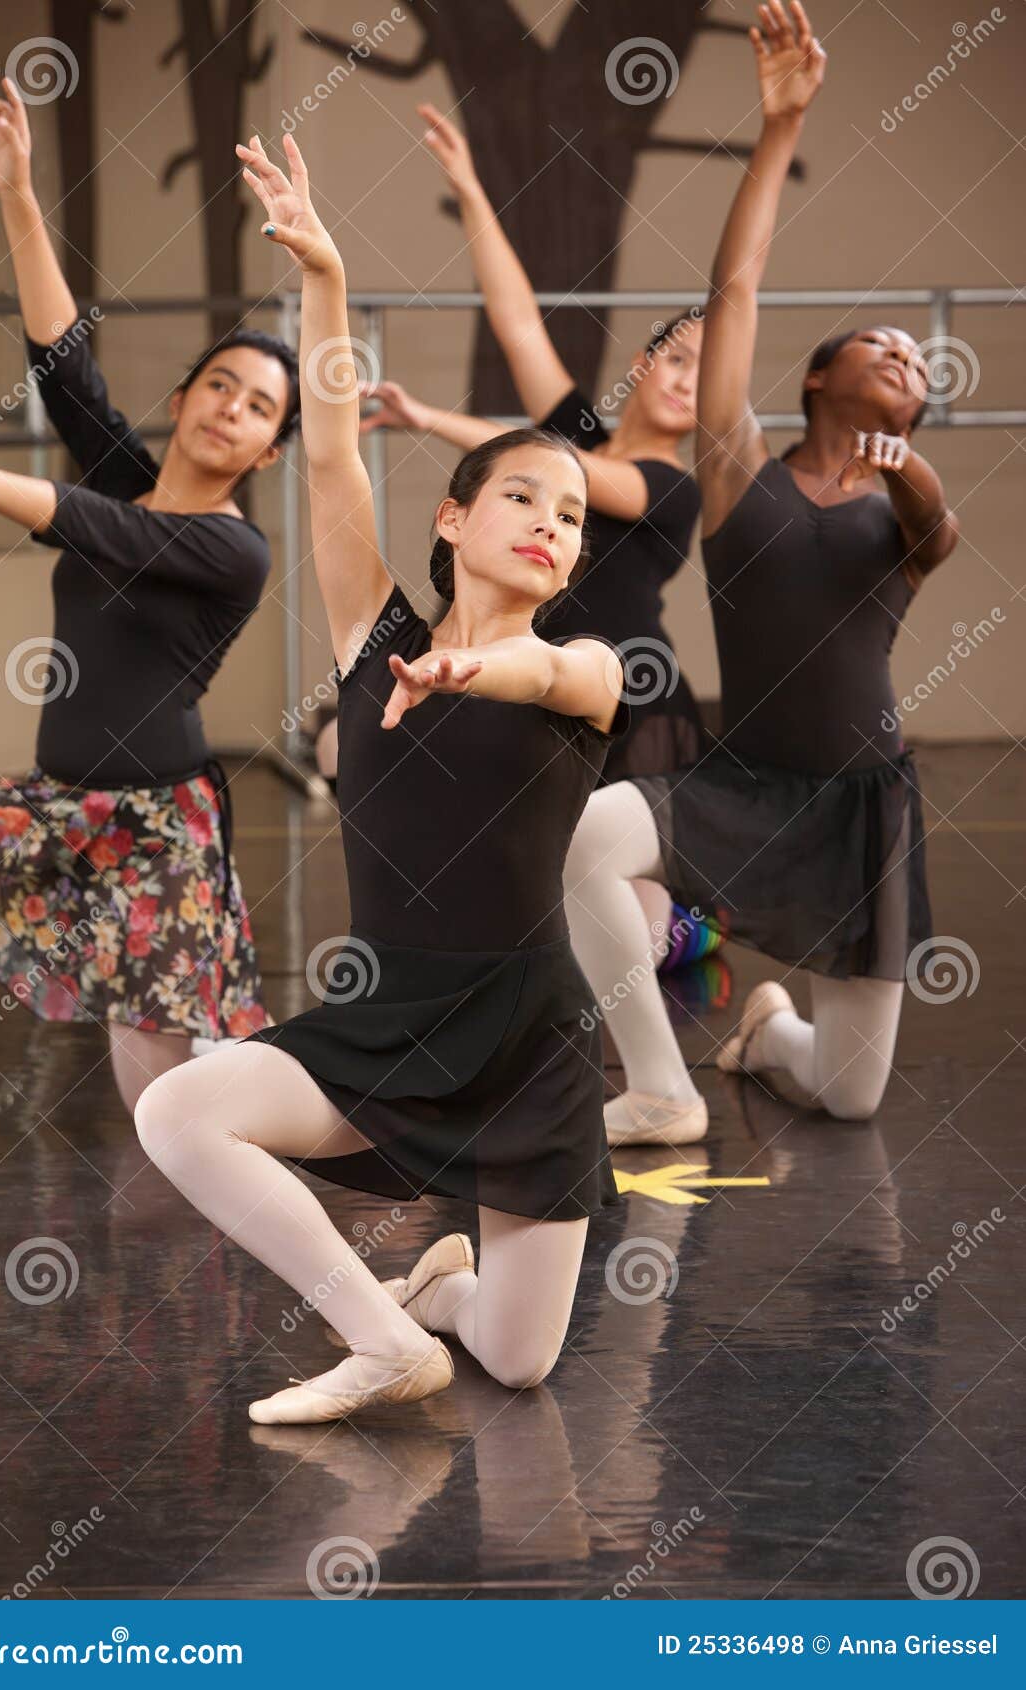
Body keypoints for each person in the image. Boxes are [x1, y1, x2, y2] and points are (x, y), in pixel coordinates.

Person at [133, 131, 631, 1427]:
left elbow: (558, 686)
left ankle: (443, 1291)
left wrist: (484, 675)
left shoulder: (580, 668)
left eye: (569, 514)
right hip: (385, 1019)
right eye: (520, 495)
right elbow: (330, 455)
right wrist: (326, 280)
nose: (548, 520)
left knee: (518, 1361)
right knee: (184, 1110)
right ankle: (379, 1335)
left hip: (530, 1040)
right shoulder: (378, 644)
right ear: (451, 518)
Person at [563, 0, 959, 1149]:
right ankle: (660, 1086)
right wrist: (777, 125)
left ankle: (763, 1029)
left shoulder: (900, 509)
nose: (901, 355)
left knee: (846, 1094)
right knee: (589, 836)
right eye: (876, 342)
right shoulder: (737, 472)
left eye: (917, 361)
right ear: (818, 374)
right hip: (742, 782)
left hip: (862, 806)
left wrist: (911, 478)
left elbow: (935, 536)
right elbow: (731, 288)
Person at [0, 78, 298, 1113]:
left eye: (258, 409)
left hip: (161, 834)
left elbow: (83, 521)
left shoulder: (232, 551)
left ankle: (328, 1114)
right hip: (61, 807)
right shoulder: (126, 477)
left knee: (167, 1111)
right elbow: (64, 370)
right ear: (185, 397)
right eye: (220, 387)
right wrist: (17, 190)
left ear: (269, 448)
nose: (231, 410)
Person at [355, 101, 706, 786]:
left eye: (710, 376)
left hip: (630, 696)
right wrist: (469, 188)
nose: (689, 383)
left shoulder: (673, 487)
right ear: (643, 362)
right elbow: (517, 322)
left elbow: (552, 462)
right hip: (529, 678)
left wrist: (428, 417)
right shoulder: (577, 435)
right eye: (679, 359)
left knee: (633, 887)